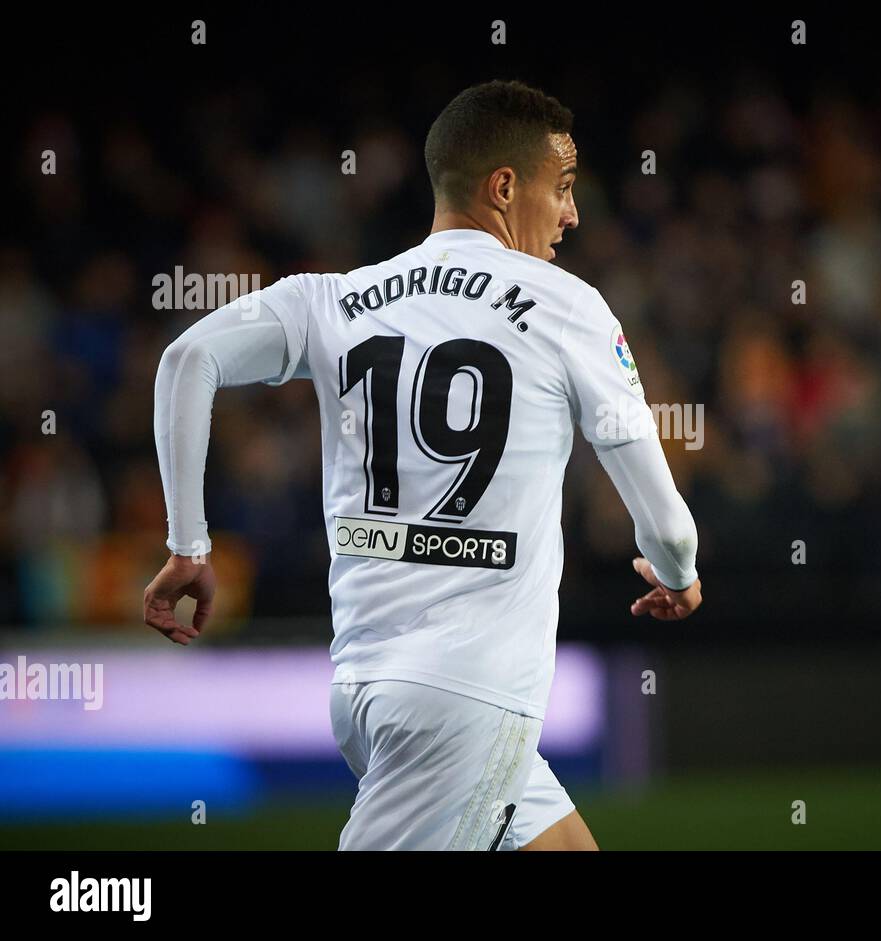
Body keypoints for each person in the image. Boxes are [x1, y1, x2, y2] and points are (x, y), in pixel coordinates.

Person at [143, 79, 702, 850]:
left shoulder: (334, 299)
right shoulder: (570, 307)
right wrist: (677, 574)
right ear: (505, 187)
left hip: (368, 691)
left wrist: (187, 546)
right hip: (470, 697)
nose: (572, 213)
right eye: (563, 187)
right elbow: (667, 525)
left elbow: (185, 358)